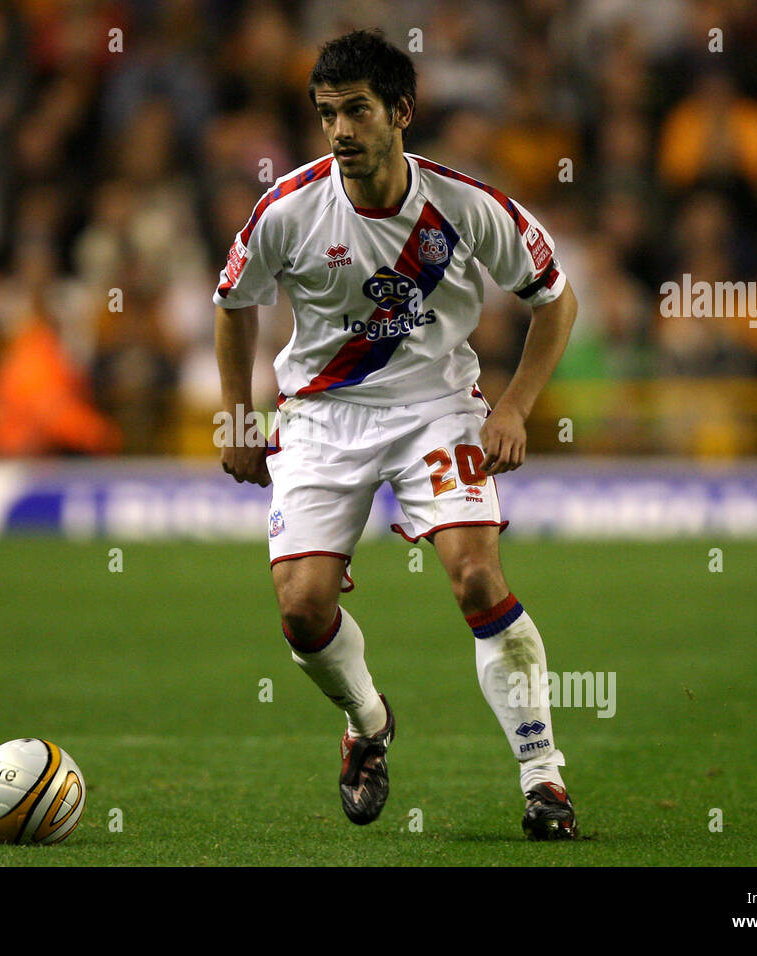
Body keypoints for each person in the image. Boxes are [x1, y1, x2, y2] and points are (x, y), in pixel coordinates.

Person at [213, 29, 581, 839]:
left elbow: (555, 299)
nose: (340, 131)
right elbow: (233, 304)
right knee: (304, 612)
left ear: (401, 113)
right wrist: (240, 412)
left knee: (477, 579)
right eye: (326, 115)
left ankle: (544, 778)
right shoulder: (289, 208)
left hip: (435, 410)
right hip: (319, 416)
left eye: (356, 111)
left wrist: (514, 406)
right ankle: (369, 723)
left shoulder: (465, 206)